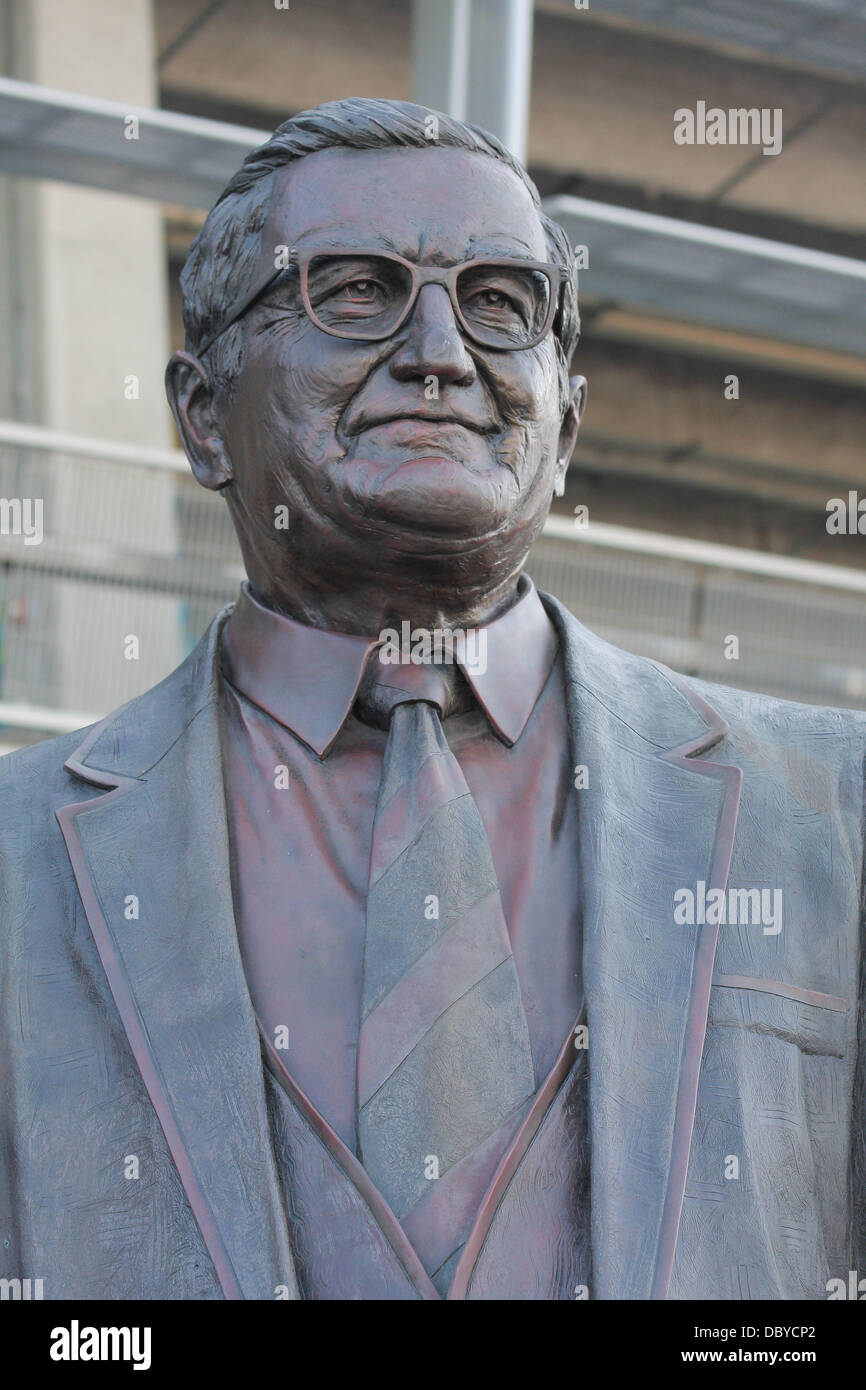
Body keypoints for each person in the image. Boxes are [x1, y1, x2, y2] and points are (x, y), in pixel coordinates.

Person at [1, 98, 864, 1301]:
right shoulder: (13, 855)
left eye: (500, 303)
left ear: (564, 425)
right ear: (203, 416)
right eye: (354, 290)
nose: (441, 352)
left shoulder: (837, 810)